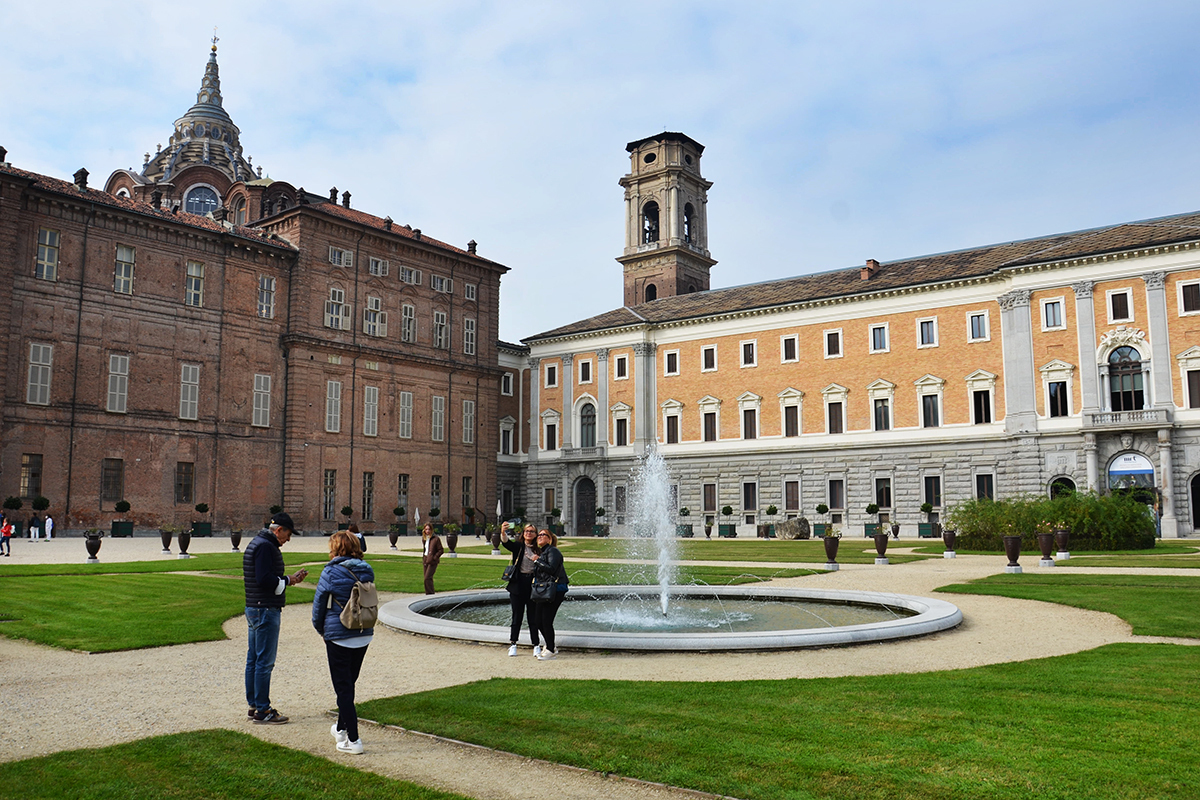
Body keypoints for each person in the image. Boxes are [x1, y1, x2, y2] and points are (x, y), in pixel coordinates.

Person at [312, 530, 374, 755]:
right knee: (348, 684)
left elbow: (319, 605)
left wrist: (321, 629)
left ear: (336, 549)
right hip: (364, 632)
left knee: (343, 689)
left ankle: (353, 741)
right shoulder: (367, 571)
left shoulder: (330, 571)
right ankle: (340, 729)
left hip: (339, 635)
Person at [243, 511, 307, 725]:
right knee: (264, 662)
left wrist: (288, 579)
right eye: (287, 534)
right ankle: (262, 709)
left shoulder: (259, 543)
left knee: (254, 659)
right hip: (265, 608)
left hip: (256, 606)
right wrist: (288, 580)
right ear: (278, 530)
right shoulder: (265, 546)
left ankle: (254, 705)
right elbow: (263, 579)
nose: (288, 539)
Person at [501, 521, 542, 657]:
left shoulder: (539, 549)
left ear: (535, 534)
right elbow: (507, 543)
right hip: (518, 584)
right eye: (526, 531)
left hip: (533, 585)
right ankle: (513, 644)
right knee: (516, 616)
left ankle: (536, 645)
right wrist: (503, 532)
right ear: (523, 534)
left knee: (533, 618)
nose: (528, 533)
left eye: (531, 531)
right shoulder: (519, 546)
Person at [530, 529, 569, 660]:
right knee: (538, 620)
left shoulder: (553, 551)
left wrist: (537, 561)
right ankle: (550, 645)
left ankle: (551, 650)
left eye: (543, 535)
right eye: (539, 535)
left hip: (555, 589)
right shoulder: (543, 552)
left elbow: (551, 569)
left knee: (546, 620)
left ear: (550, 538)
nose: (540, 537)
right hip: (544, 590)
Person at [421, 522, 443, 595]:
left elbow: (441, 550)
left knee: (427, 578)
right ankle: (428, 594)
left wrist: (434, 558)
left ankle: (430, 594)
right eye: (426, 529)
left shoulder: (436, 539)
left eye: (429, 529)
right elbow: (425, 549)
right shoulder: (424, 539)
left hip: (432, 561)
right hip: (425, 560)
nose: (427, 531)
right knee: (427, 579)